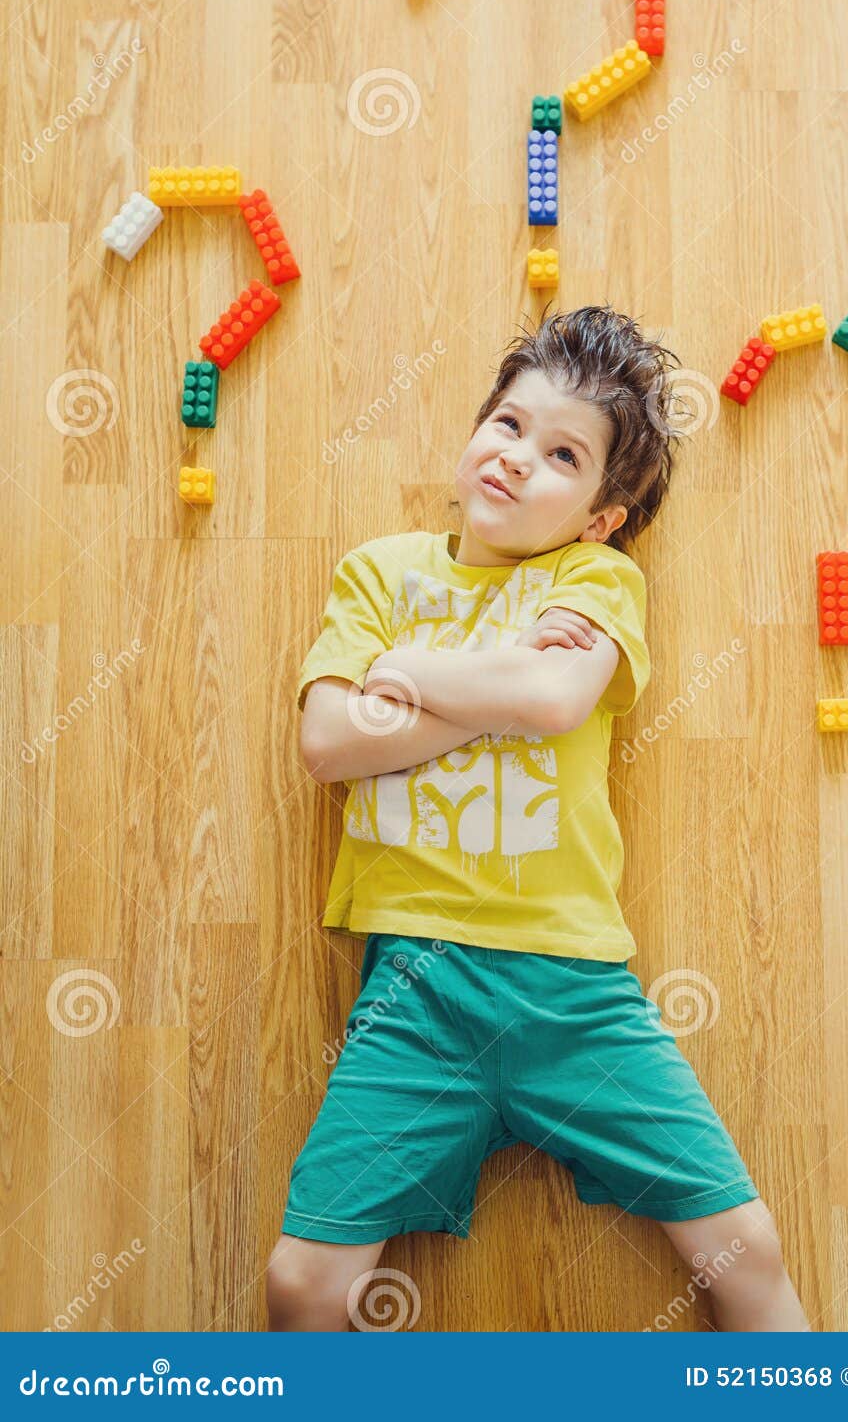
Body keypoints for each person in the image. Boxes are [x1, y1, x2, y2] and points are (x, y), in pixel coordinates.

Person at [266, 305, 809, 1332]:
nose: (518, 457)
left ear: (601, 516)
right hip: (416, 992)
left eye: (564, 455)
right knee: (300, 1283)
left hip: (574, 988)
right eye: (508, 424)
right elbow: (329, 741)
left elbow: (555, 701)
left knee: (746, 1250)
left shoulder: (596, 577)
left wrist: (406, 670)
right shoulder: (382, 571)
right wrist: (503, 676)